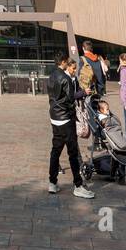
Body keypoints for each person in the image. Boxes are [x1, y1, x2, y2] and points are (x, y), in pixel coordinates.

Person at [47, 53, 95, 198]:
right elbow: (69, 100)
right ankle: (78, 185)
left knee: (55, 150)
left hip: (54, 117)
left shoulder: (52, 75)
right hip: (66, 119)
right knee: (73, 153)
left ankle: (52, 182)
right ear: (63, 62)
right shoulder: (65, 78)